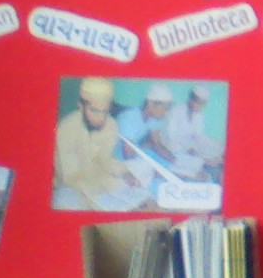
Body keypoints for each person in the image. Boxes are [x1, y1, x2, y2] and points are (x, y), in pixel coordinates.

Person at [53, 76, 127, 209]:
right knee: (64, 203)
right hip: (69, 185)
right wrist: (99, 195)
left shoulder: (111, 124)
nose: (101, 118)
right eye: (94, 111)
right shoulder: (66, 129)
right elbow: (70, 178)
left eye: (105, 111)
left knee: (135, 179)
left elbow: (104, 161)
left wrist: (125, 172)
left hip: (97, 179)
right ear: (81, 106)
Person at [166, 85, 225, 181]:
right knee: (200, 160)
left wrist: (212, 147)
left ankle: (214, 164)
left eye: (203, 104)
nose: (201, 106)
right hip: (176, 149)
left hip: (192, 147)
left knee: (219, 147)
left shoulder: (199, 115)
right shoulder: (176, 111)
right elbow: (171, 137)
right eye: (199, 103)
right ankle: (206, 164)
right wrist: (191, 150)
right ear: (191, 100)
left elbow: (199, 136)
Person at [116, 84, 176, 164]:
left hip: (135, 153)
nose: (164, 113)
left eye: (166, 109)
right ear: (150, 104)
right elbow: (128, 155)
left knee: (167, 164)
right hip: (119, 159)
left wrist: (175, 160)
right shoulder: (129, 117)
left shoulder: (153, 118)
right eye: (163, 108)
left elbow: (157, 144)